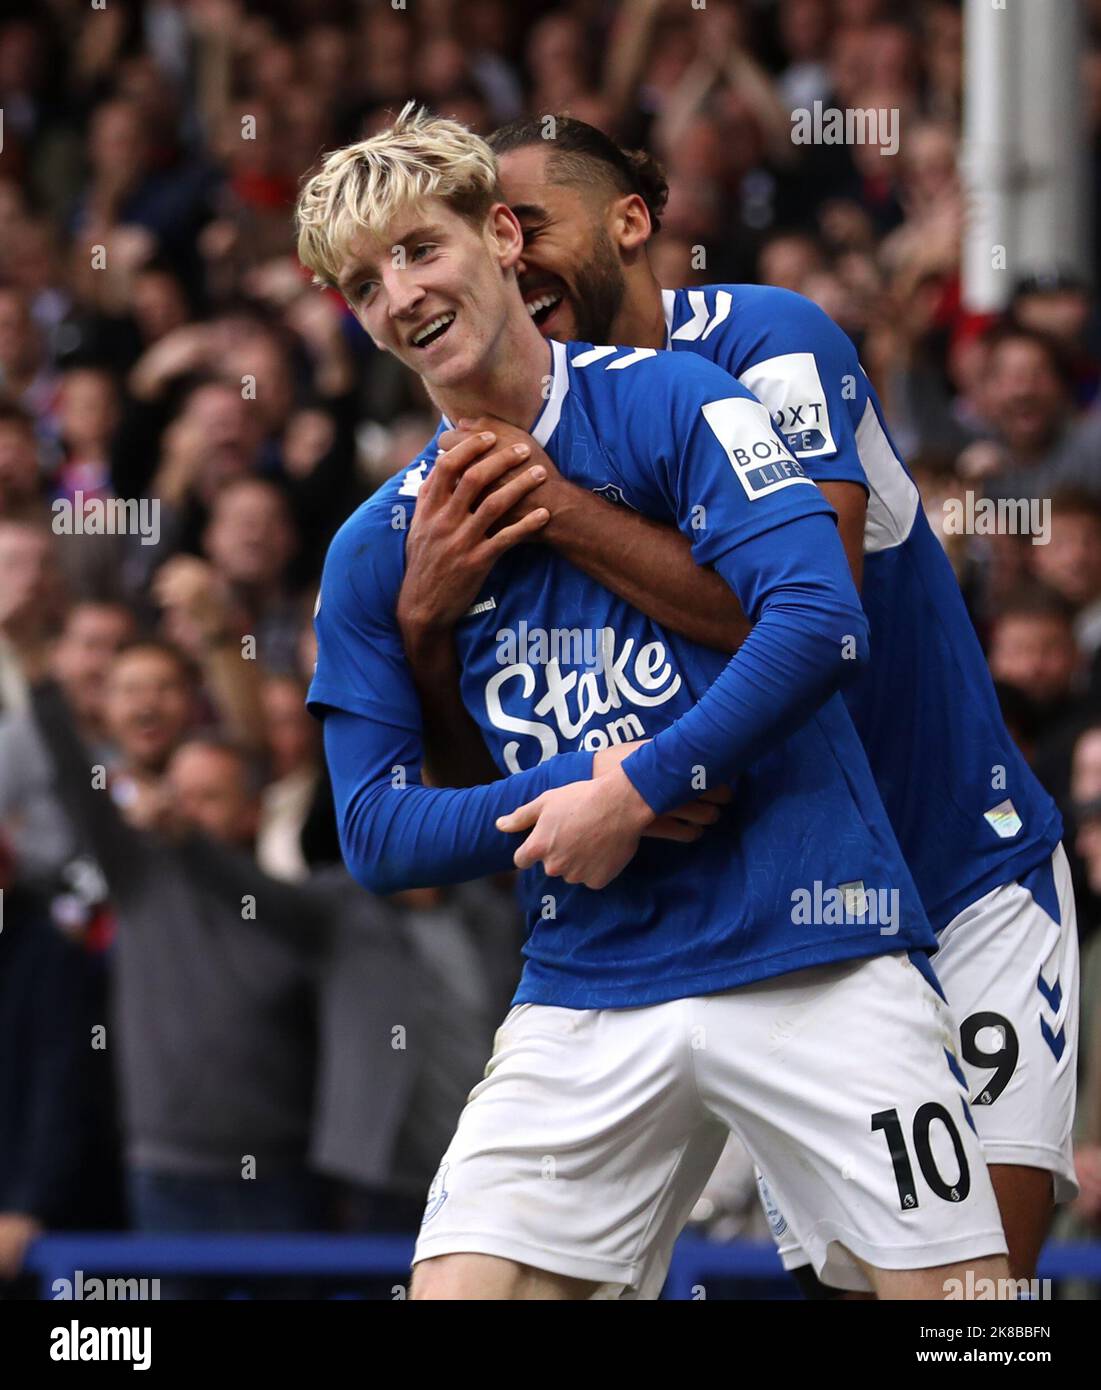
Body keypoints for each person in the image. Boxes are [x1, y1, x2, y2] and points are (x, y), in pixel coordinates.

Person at [295, 104, 1009, 1300]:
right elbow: (373, 832)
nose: (401, 294)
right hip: (587, 986)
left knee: (971, 1315)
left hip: (813, 947)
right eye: (363, 284)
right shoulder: (376, 545)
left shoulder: (680, 400)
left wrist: (642, 778)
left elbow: (824, 620)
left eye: (421, 248)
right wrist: (581, 792)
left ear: (501, 236)